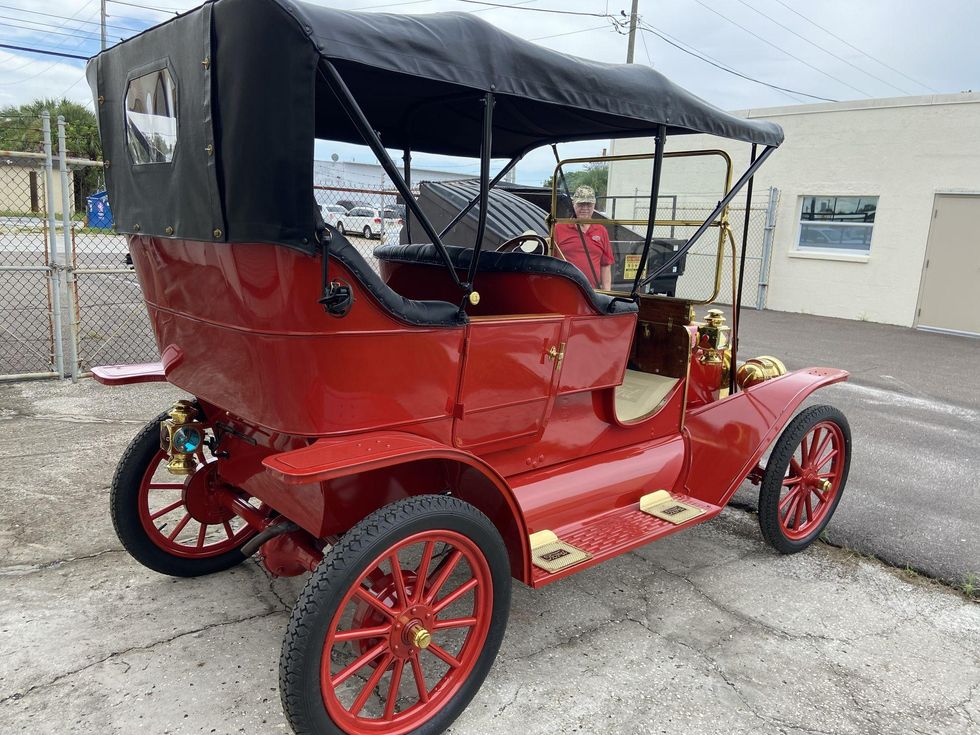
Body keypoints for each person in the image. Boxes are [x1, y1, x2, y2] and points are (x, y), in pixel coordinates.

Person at [553, 185, 613, 290]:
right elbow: (550, 261)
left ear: (594, 205)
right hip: (564, 290)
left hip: (593, 294)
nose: (585, 208)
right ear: (573, 204)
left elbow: (605, 265)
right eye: (581, 204)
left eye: (588, 204)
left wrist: (607, 293)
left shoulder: (601, 230)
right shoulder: (558, 229)